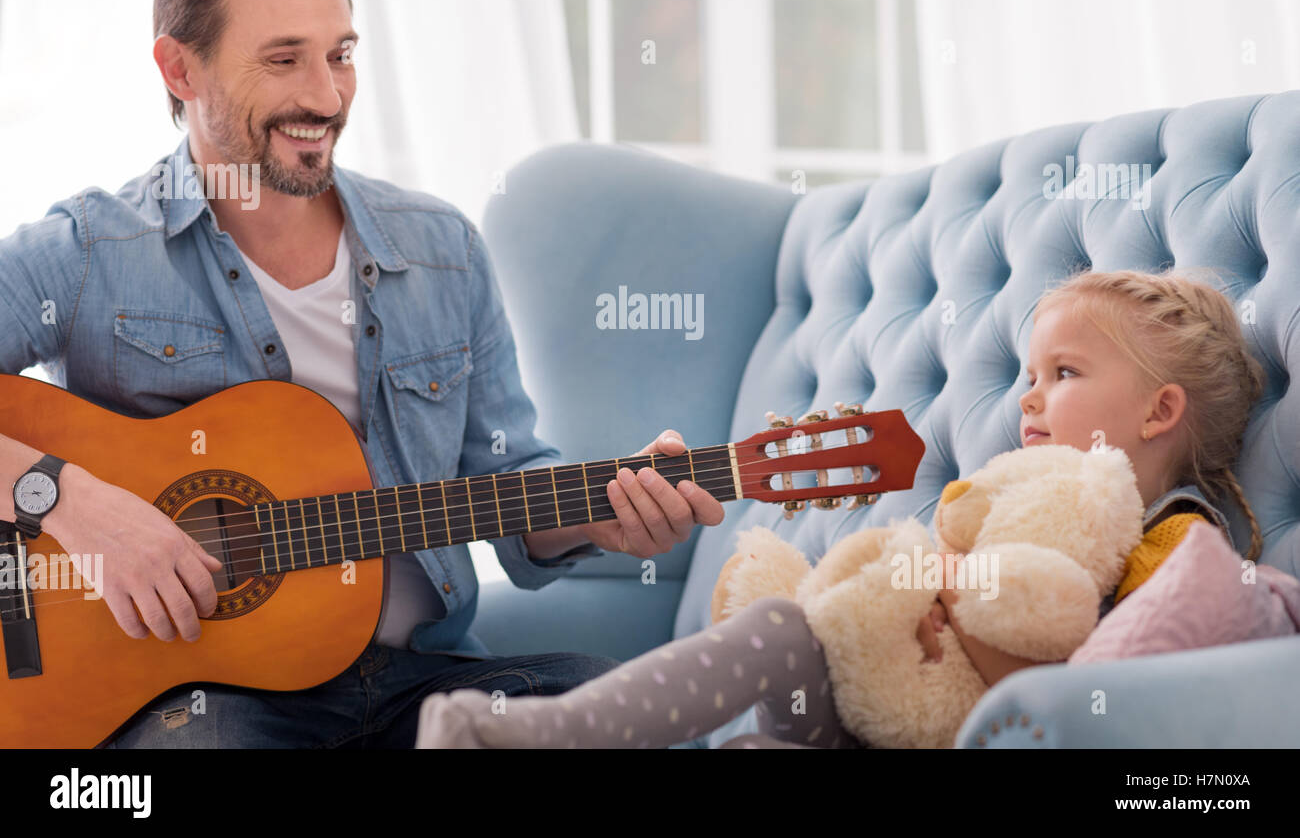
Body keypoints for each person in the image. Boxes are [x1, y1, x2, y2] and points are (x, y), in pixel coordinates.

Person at [0, 0, 724, 747]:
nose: (326, 95)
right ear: (181, 67)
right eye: (284, 59)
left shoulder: (441, 249)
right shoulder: (92, 249)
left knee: (618, 716)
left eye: (341, 55)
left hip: (427, 677)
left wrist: (602, 513)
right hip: (202, 701)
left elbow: (511, 477)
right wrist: (69, 502)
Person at [416, 267, 1267, 748]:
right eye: (1028, 377)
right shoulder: (1014, 500)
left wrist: (956, 612)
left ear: (1160, 411)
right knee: (784, 633)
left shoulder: (1176, 547)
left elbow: (1084, 709)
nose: (1028, 401)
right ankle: (551, 733)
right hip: (871, 716)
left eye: (1064, 374)